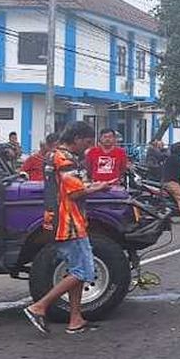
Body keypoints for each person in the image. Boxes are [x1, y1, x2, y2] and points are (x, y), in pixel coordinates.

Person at [22, 121, 114, 335]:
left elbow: (68, 189)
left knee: (76, 271)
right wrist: (98, 188)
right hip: (69, 223)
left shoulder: (53, 156)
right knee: (84, 271)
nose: (88, 147)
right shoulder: (65, 159)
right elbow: (75, 193)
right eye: (88, 142)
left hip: (61, 221)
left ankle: (75, 318)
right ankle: (39, 307)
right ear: (78, 139)